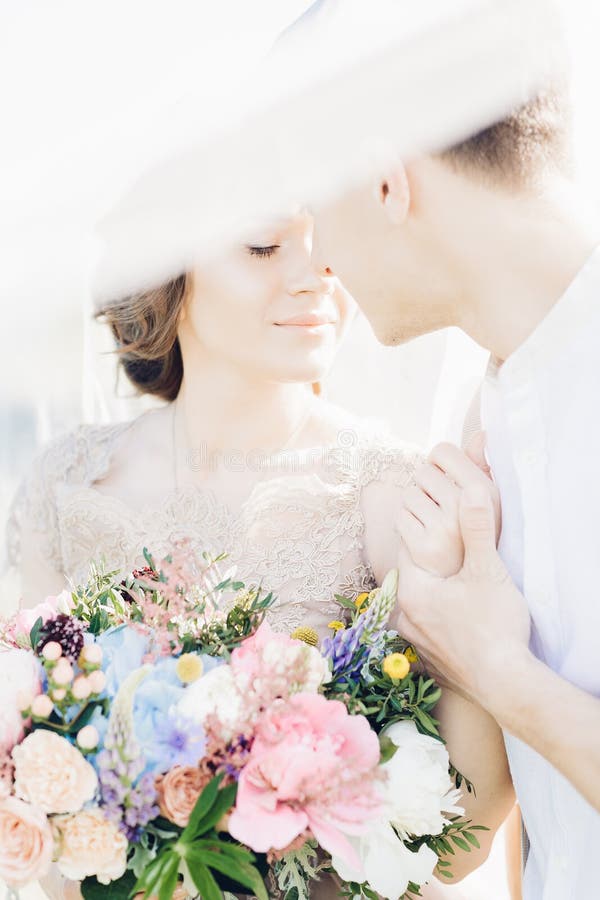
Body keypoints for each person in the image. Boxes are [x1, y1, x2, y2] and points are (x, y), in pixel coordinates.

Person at [6, 207, 512, 898]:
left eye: (326, 242)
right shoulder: (65, 486)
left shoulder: (393, 497)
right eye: (265, 245)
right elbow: (26, 772)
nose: (317, 277)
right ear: (165, 266)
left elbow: (470, 816)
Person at [315, 77, 600, 899]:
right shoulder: (487, 421)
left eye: (313, 207)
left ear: (382, 181)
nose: (322, 262)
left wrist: (494, 669)